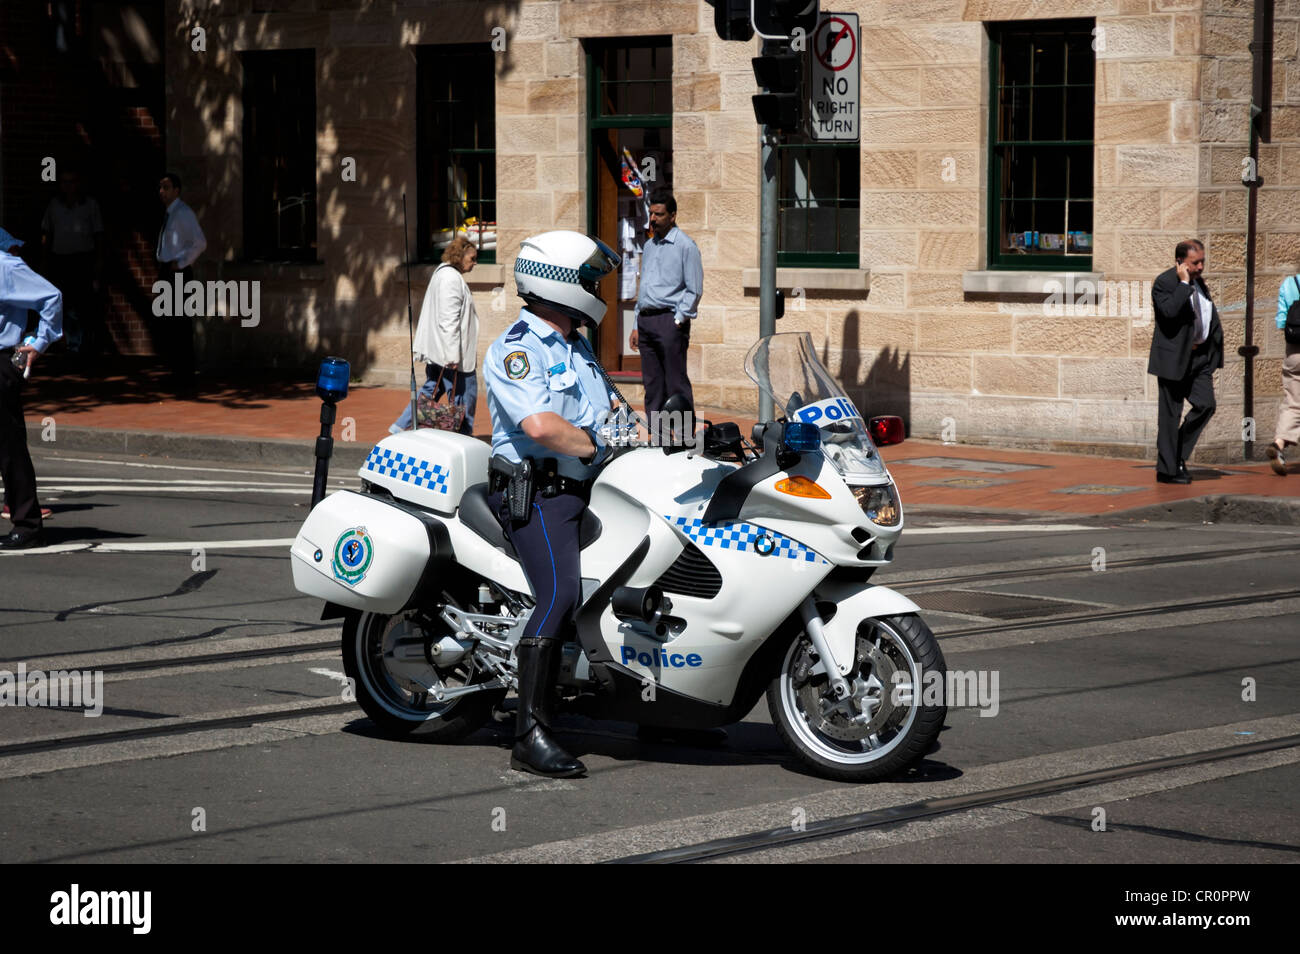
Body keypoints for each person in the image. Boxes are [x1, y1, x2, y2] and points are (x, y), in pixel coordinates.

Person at [482, 230, 621, 778]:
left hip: (591, 485)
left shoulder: (577, 344)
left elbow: (613, 413)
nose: (594, 287)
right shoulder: (518, 347)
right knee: (561, 592)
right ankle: (530, 732)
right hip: (539, 492)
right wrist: (599, 445)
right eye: (588, 278)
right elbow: (541, 425)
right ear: (559, 282)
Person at [0, 228, 63, 550]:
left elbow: (51, 297)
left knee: (9, 447)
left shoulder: (5, 267)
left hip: (0, 360)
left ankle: (27, 524)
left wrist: (37, 343)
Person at [1148, 239, 1223, 484]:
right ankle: (1168, 470)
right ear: (1180, 262)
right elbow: (1168, 313)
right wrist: (1183, 283)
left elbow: (1206, 314)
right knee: (1171, 415)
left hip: (1199, 358)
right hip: (1174, 359)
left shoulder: (1199, 282)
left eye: (1202, 261)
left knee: (1206, 405)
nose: (1201, 267)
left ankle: (1175, 454)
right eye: (1195, 262)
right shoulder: (1165, 282)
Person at [390, 235, 480, 436]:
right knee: (464, 397)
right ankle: (463, 436)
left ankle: (400, 428)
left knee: (432, 389)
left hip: (442, 351)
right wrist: (452, 356)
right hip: (451, 354)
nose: (475, 263)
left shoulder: (444, 274)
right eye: (472, 258)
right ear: (459, 256)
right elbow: (449, 319)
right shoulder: (450, 278)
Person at [629, 188, 703, 418]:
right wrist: (635, 323)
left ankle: (683, 434)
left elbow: (694, 289)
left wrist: (679, 320)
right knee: (652, 382)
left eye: (659, 214)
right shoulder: (649, 246)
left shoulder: (686, 246)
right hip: (646, 321)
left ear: (673, 216)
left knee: (675, 381)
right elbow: (645, 289)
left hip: (669, 321)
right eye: (651, 214)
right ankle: (656, 432)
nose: (653, 219)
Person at [41, 167, 104, 354]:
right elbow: (46, 234)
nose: (68, 187)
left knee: (84, 304)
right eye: (64, 182)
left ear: (78, 184)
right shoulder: (54, 205)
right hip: (61, 261)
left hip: (82, 260)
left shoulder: (89, 205)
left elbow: (99, 234)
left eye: (72, 182)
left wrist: (99, 261)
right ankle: (70, 345)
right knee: (64, 304)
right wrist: (44, 261)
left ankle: (84, 346)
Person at [156, 172, 206, 387]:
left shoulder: (183, 213)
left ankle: (184, 373)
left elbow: (200, 242)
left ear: (177, 190)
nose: (162, 192)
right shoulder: (170, 213)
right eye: (160, 187)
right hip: (167, 271)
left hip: (178, 273)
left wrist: (182, 262)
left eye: (166, 187)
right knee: (170, 322)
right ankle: (176, 370)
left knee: (180, 322)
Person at [1267, 268, 1300, 476]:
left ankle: (1278, 445)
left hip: (1294, 352)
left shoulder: (1289, 284)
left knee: (1293, 402)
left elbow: (1281, 321)